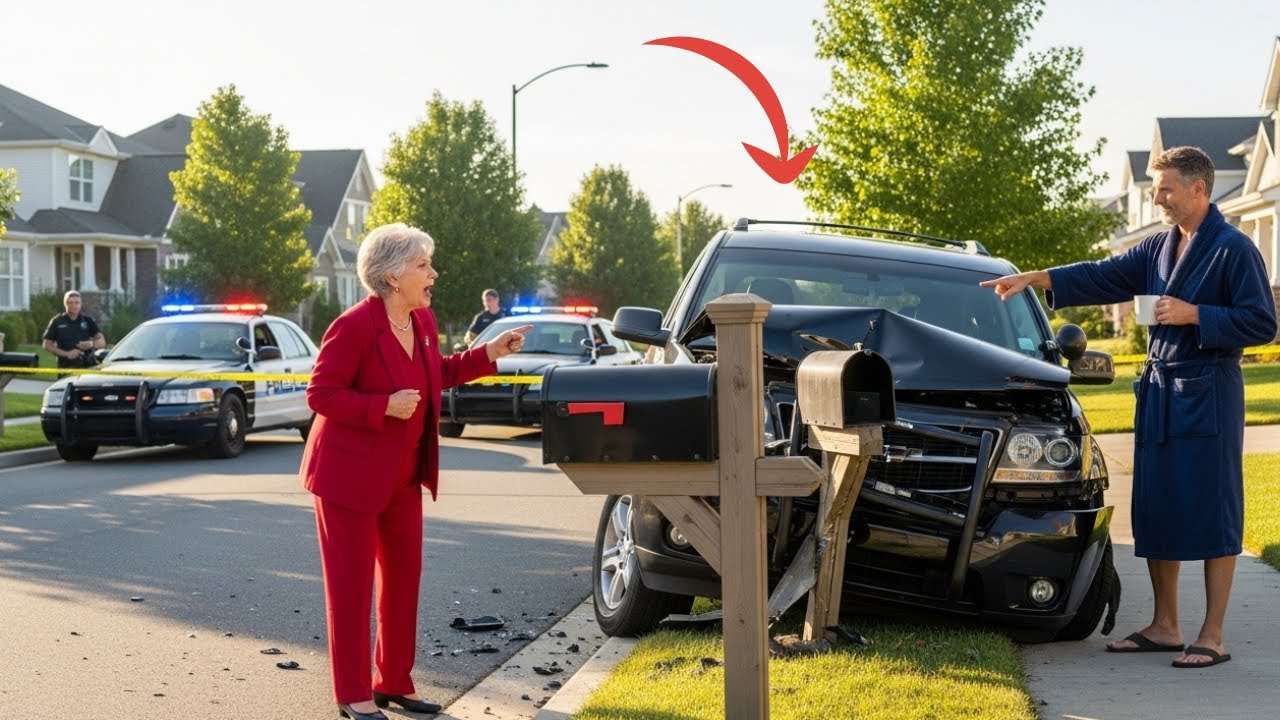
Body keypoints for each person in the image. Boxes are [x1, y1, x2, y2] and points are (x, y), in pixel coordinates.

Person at [980, 146, 1277, 669]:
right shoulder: (1160, 247)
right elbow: (1103, 274)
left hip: (1208, 392)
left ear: (1197, 189)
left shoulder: (1234, 250)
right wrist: (1036, 279)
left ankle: (1212, 635)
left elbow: (1262, 323)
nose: (1157, 198)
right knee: (1158, 506)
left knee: (1214, 509)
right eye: (1156, 189)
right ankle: (1166, 626)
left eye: (1164, 189)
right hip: (1162, 394)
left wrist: (1194, 315)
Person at [299, 223, 531, 720]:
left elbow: (439, 371)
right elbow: (320, 395)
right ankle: (353, 694)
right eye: (423, 265)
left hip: (403, 478)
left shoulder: (422, 323)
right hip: (348, 480)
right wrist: (382, 406)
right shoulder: (354, 326)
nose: (433, 273)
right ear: (390, 276)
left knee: (404, 583)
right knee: (351, 588)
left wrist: (489, 353)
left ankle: (393, 682)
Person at [42, 290, 105, 369]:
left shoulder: (87, 320)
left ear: (81, 304)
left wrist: (91, 344)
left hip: (87, 365)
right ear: (65, 304)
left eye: (77, 302)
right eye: (70, 302)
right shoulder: (57, 321)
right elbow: (46, 345)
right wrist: (67, 354)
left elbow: (102, 342)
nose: (74, 305)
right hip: (66, 366)